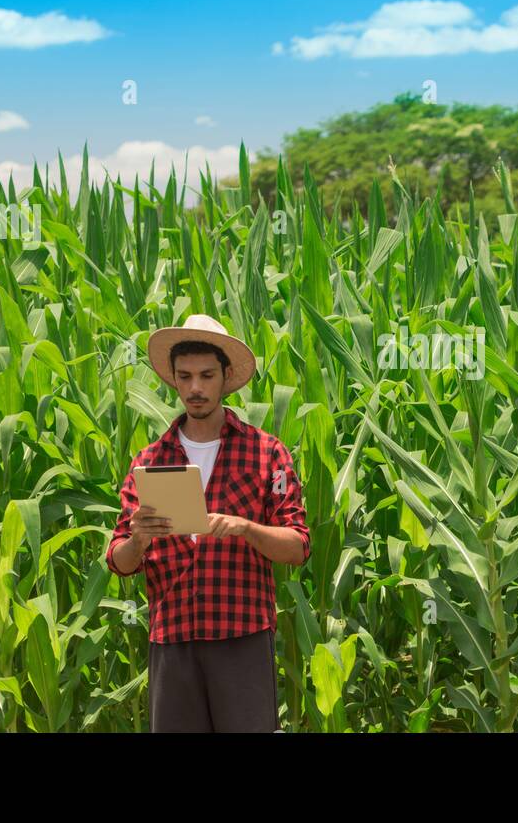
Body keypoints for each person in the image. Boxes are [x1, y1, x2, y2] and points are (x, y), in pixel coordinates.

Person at [106, 314, 310, 732]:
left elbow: (298, 547)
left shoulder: (265, 453)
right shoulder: (149, 461)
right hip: (173, 638)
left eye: (206, 375)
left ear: (226, 376)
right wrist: (139, 539)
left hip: (242, 637)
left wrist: (246, 528)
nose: (195, 388)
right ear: (174, 381)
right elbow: (120, 561)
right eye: (185, 377)